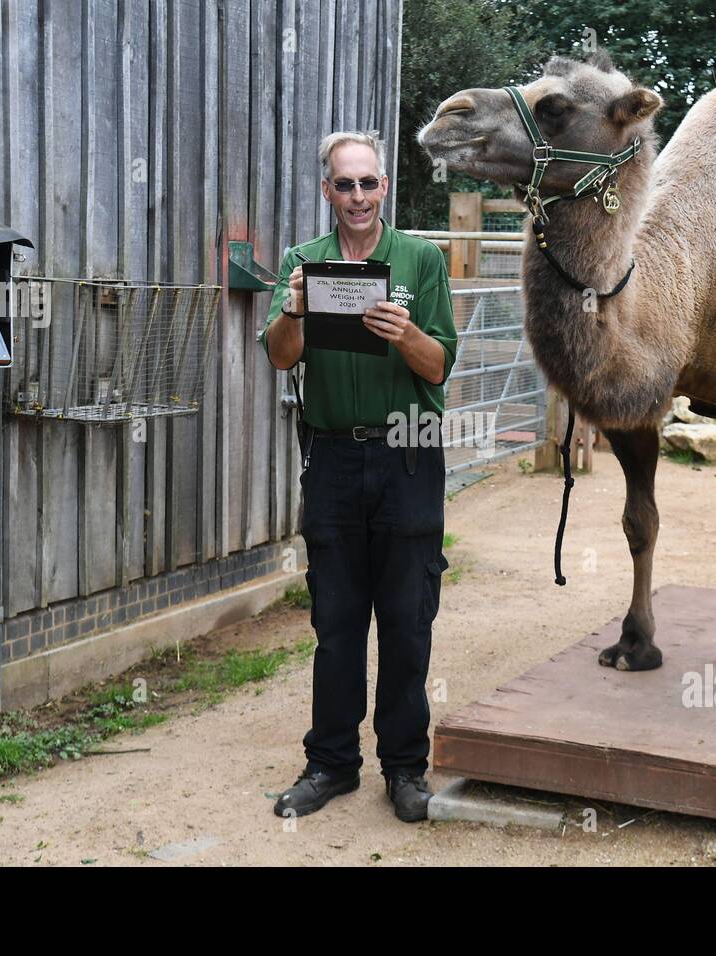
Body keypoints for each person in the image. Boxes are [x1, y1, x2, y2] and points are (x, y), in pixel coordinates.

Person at [260, 130, 457, 822]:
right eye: (344, 185)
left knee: (407, 620)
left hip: (409, 453)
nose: (358, 196)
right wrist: (293, 309)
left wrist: (405, 333)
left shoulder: (421, 259)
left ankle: (405, 768)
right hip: (334, 456)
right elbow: (281, 359)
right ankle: (331, 763)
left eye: (368, 183)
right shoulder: (304, 263)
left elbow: (438, 367)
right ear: (327, 191)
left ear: (383, 188)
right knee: (337, 621)